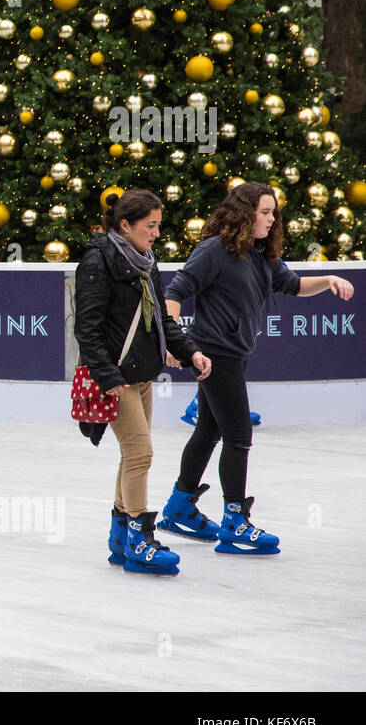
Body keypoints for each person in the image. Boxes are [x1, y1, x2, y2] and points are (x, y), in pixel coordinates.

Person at [160, 182, 354, 555]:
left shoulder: (261, 253)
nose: (271, 218)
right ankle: (234, 520)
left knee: (209, 429)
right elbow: (175, 291)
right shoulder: (214, 250)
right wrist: (174, 341)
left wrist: (328, 279)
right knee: (238, 434)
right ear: (244, 213)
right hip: (216, 354)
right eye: (265, 211)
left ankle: (179, 505)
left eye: (273, 212)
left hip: (234, 351)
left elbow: (293, 284)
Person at [74, 190, 209, 576]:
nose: (155, 234)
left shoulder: (146, 262)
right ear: (125, 226)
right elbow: (87, 328)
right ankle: (138, 536)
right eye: (150, 226)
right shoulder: (98, 262)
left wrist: (189, 351)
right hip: (116, 378)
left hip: (141, 373)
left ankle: (120, 536)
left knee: (132, 454)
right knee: (141, 454)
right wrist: (107, 376)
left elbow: (163, 319)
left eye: (158, 226)